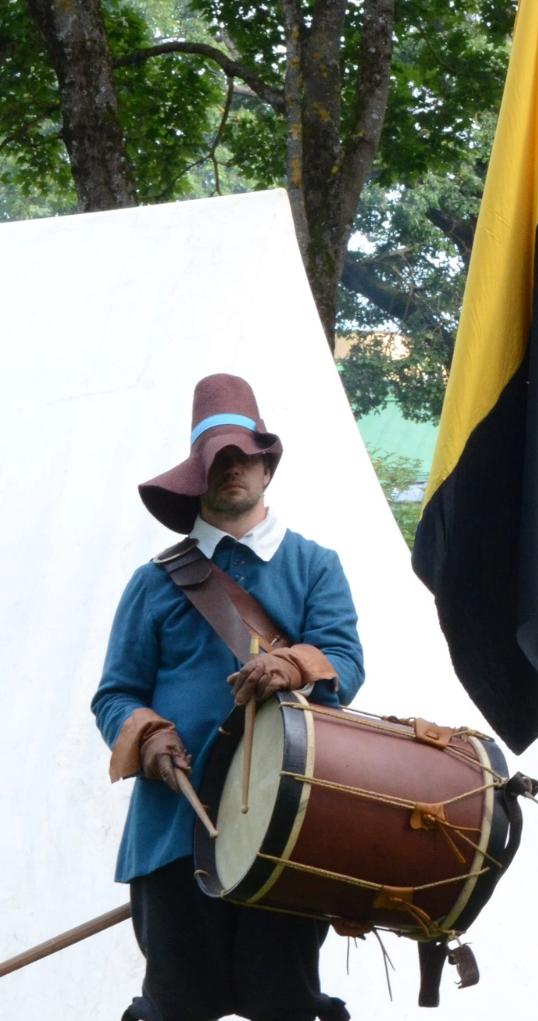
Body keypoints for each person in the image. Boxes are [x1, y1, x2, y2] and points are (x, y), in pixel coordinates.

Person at [94, 374, 364, 1021]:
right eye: (218, 460)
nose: (233, 470)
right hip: (173, 833)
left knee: (284, 1004)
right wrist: (147, 733)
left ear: (267, 466)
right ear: (198, 477)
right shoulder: (152, 583)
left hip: (287, 827)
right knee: (178, 1007)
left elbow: (346, 664)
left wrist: (293, 664)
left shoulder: (315, 565)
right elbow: (115, 693)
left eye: (244, 456)